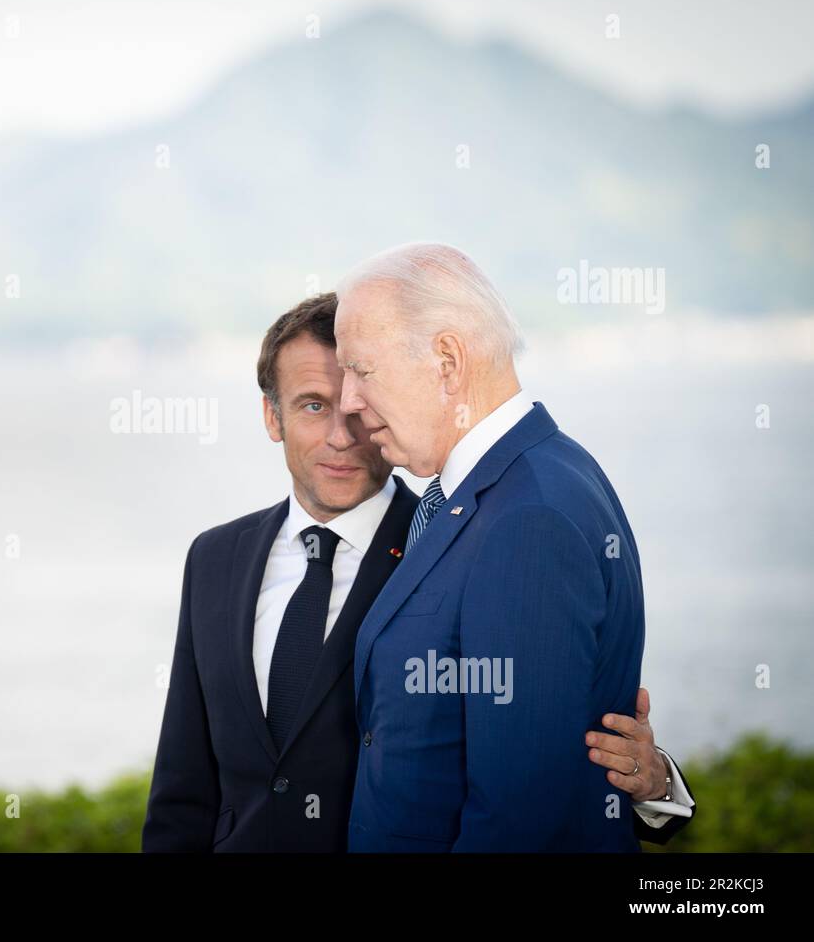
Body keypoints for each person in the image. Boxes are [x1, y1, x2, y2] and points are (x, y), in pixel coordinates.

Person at [142, 290, 694, 851]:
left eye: (358, 406)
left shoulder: (461, 543)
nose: (341, 434)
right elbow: (182, 790)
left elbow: (530, 768)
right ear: (271, 415)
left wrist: (652, 782)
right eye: (314, 405)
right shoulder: (213, 558)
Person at [337, 242, 664, 851]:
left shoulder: (528, 517)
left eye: (362, 369)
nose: (349, 400)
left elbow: (519, 818)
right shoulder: (526, 478)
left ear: (447, 361)